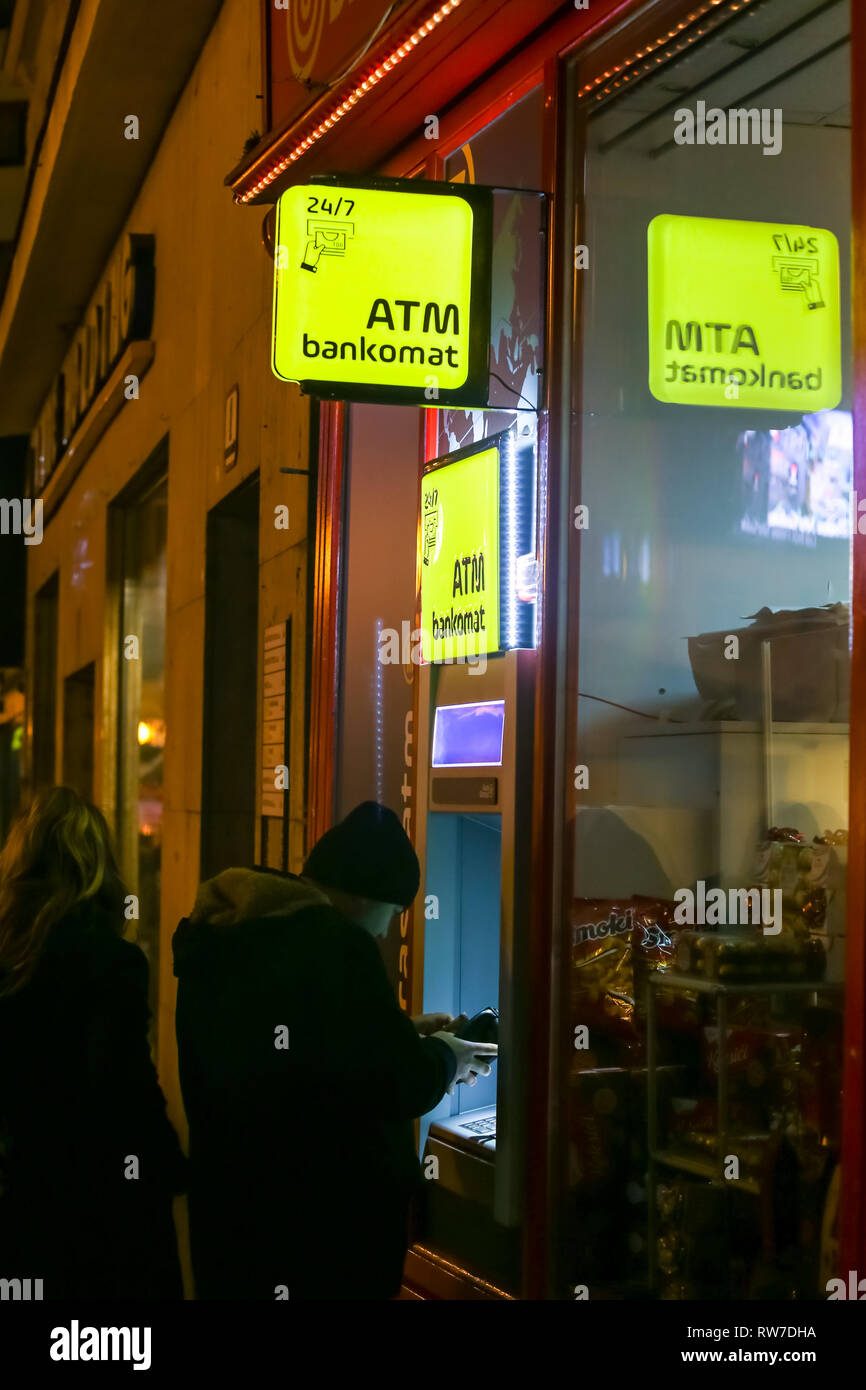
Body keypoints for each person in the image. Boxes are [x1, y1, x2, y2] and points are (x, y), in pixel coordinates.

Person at [173, 801, 496, 1300]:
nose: (388, 930)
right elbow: (396, 1082)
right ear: (367, 895)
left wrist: (400, 1031)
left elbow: (303, 1050)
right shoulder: (334, 946)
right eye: (392, 912)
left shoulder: (234, 934)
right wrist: (448, 1056)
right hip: (320, 1241)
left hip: (236, 1225)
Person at [0, 786, 186, 1299]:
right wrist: (169, 1167)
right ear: (95, 866)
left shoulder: (8, 961)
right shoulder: (110, 963)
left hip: (24, 1205)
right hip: (102, 1216)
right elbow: (125, 1089)